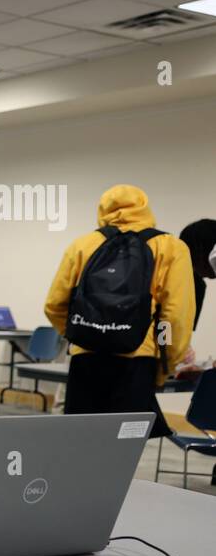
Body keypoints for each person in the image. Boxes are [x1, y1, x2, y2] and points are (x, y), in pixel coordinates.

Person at [45, 184, 194, 440]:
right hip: (137, 360)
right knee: (123, 446)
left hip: (86, 359)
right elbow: (174, 317)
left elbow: (54, 304)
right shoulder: (170, 247)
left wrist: (81, 335)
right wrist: (165, 360)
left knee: (79, 441)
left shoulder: (83, 245)